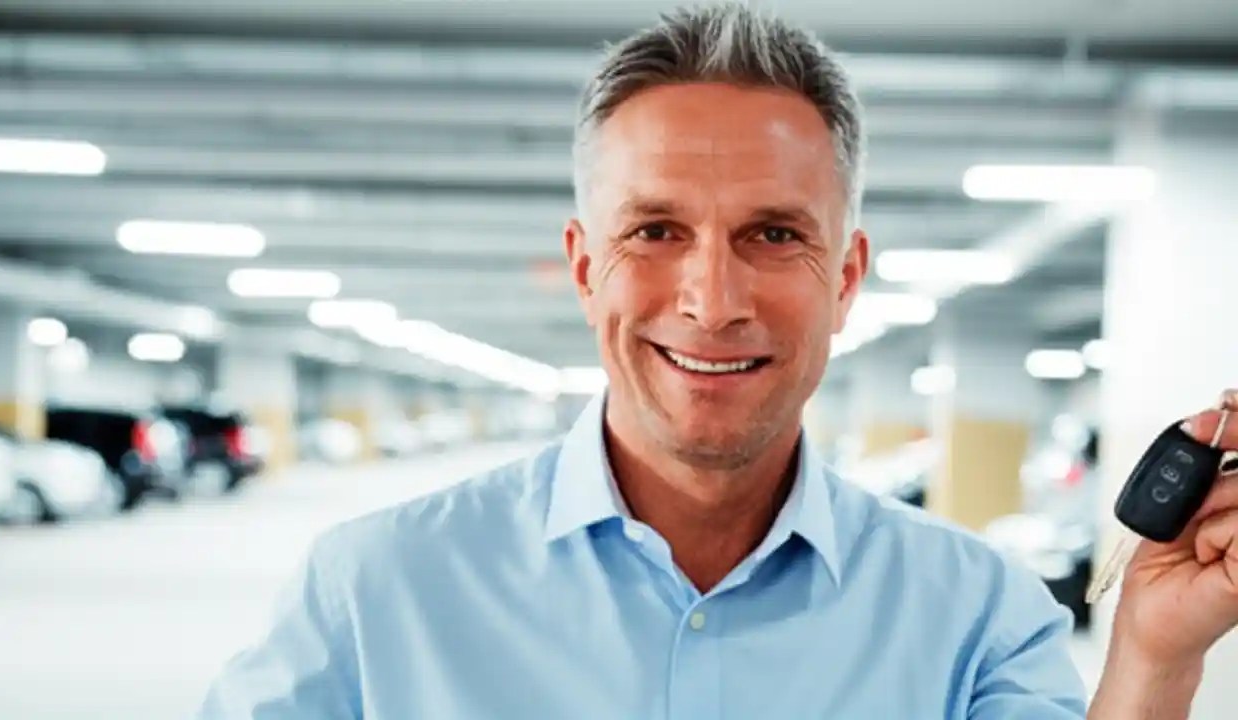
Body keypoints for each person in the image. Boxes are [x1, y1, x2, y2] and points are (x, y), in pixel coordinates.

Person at [199, 4, 1238, 718]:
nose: (711, 300)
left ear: (843, 276)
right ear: (583, 266)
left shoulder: (975, 616)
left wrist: (1153, 658)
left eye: (773, 235)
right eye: (653, 230)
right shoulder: (375, 593)